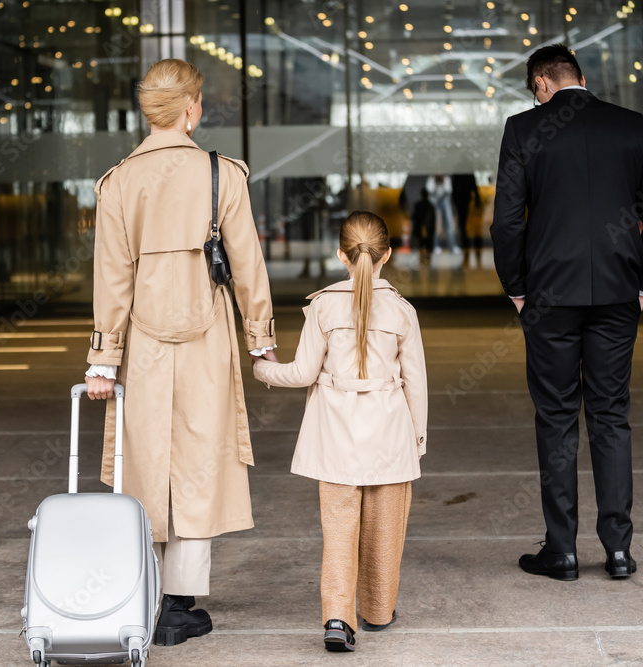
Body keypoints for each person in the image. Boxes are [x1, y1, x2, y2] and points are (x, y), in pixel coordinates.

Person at [83, 59, 276, 647]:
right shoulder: (223, 174)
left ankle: (145, 592)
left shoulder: (118, 182)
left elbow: (112, 278)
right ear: (192, 109)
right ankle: (179, 602)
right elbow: (247, 266)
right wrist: (261, 341)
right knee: (199, 458)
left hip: (142, 342)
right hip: (206, 337)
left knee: (144, 460)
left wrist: (103, 359)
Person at [490, 45, 643, 581]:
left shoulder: (523, 129)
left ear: (542, 82)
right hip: (618, 291)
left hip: (549, 294)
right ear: (581, 78)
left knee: (556, 416)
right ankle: (618, 551)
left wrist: (516, 287)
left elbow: (507, 221)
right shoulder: (630, 125)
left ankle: (562, 550)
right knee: (611, 415)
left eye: (535, 90)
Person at [252, 211, 427, 652]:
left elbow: (303, 373)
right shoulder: (403, 311)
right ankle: (378, 612)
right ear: (387, 255)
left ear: (341, 255)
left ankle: (337, 619)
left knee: (339, 533)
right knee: (386, 531)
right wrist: (417, 441)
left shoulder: (324, 306)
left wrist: (262, 370)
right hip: (390, 437)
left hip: (335, 439)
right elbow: (417, 384)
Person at [427, 175, 458, 254]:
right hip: (435, 204)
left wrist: (443, 183)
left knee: (449, 225)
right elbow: (429, 191)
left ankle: (452, 246)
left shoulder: (446, 178)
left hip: (445, 203)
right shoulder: (431, 178)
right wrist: (436, 184)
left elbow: (448, 191)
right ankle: (436, 246)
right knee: (437, 226)